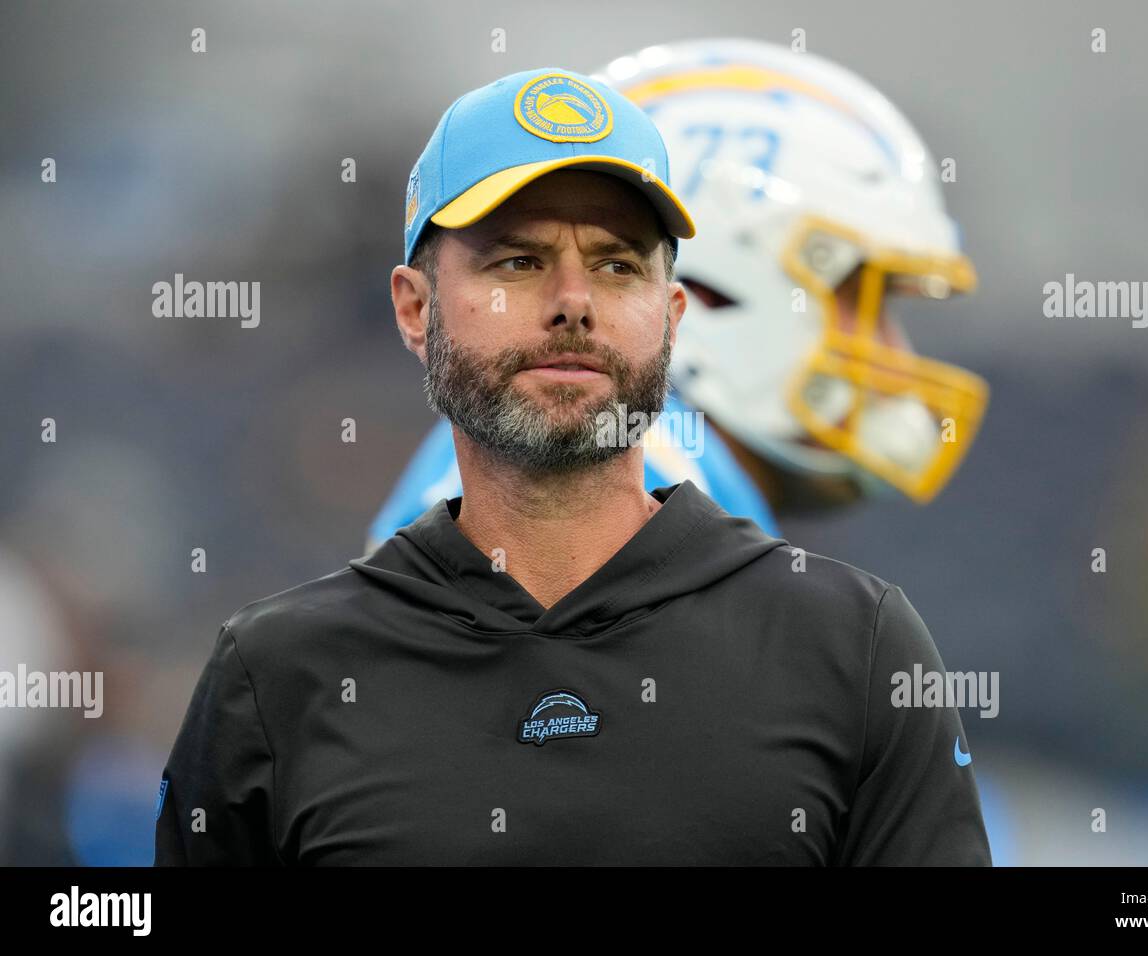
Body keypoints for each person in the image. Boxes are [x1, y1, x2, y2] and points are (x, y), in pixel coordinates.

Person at [154, 65, 991, 865]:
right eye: (517, 261)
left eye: (616, 263)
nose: (573, 302)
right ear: (415, 308)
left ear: (672, 315)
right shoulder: (274, 677)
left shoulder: (857, 647)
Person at [367, 38, 989, 551]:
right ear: (718, 293)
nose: (892, 352)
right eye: (863, 303)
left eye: (613, 265)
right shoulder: (629, 517)